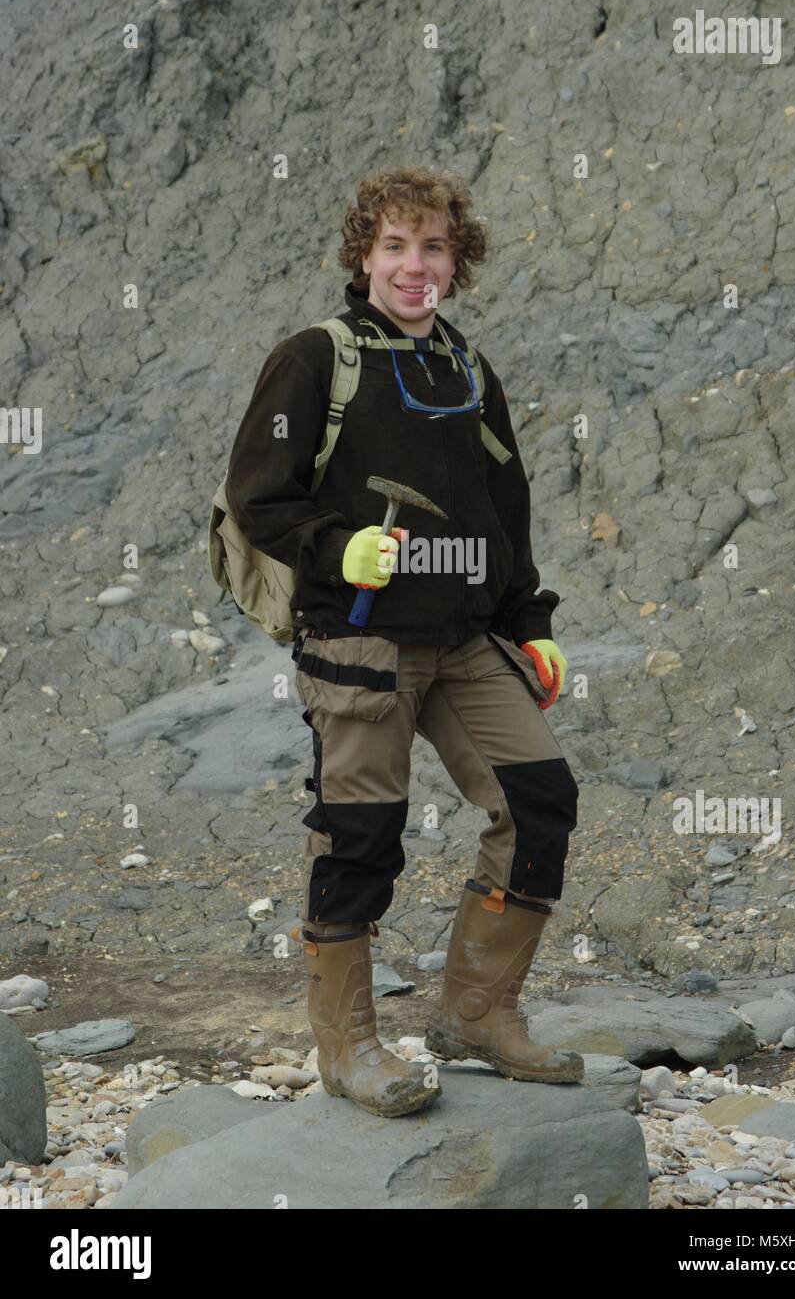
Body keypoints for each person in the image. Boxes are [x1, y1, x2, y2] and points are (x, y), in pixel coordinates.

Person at [225, 165, 583, 1118]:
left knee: (539, 798)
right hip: (359, 645)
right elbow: (257, 499)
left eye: (433, 247)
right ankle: (347, 1050)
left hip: (465, 641)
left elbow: (504, 509)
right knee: (361, 836)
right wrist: (344, 550)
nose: (414, 265)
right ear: (364, 256)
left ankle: (477, 1017)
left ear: (456, 262)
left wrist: (528, 621)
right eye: (395, 246)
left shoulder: (465, 368)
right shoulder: (317, 358)